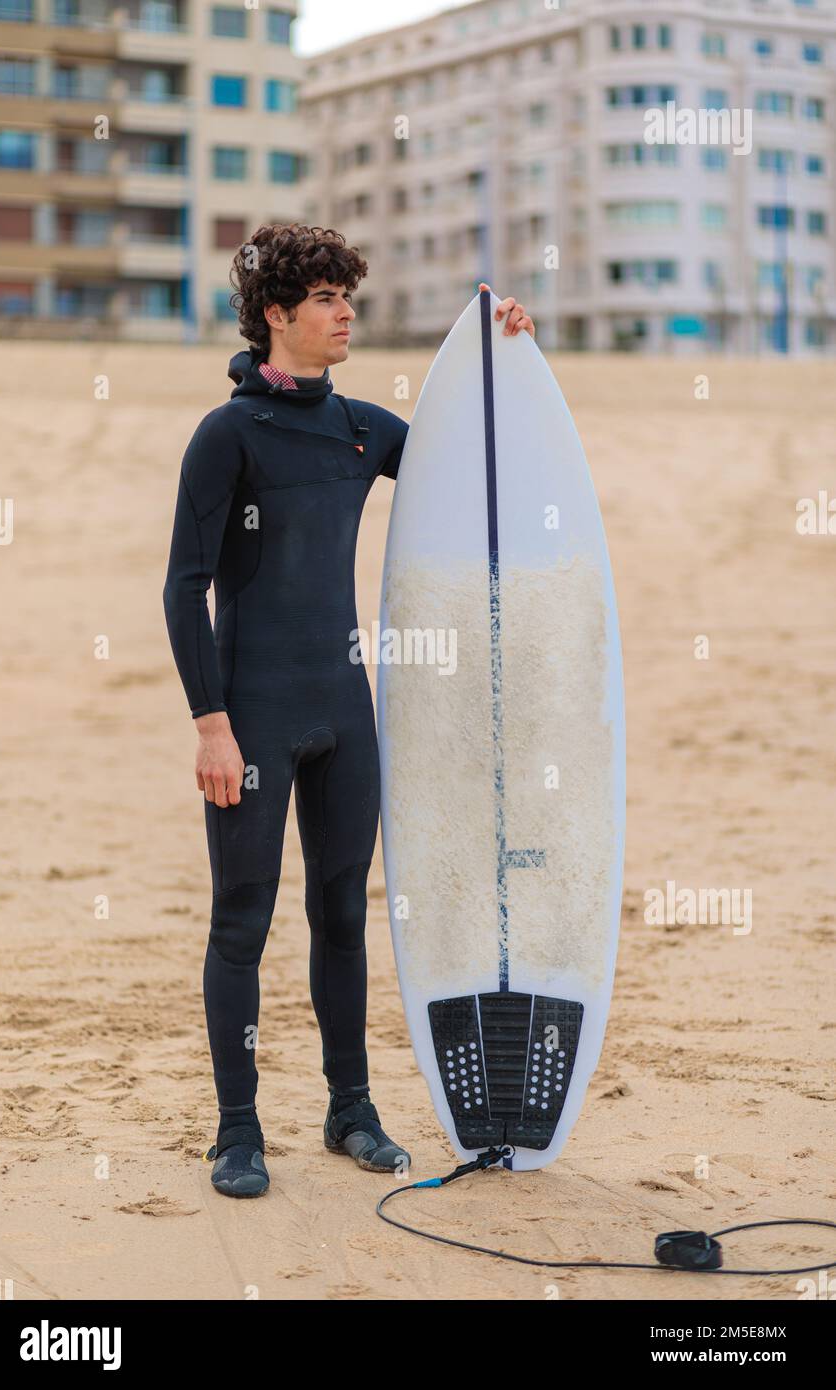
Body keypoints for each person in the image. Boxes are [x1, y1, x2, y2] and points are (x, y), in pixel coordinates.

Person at [163, 224, 535, 1197]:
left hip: (342, 708)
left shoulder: (360, 428)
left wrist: (504, 351)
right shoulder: (228, 435)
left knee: (341, 914)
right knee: (241, 919)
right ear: (277, 314)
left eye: (347, 298)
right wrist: (211, 722)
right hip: (251, 711)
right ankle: (236, 1131)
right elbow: (183, 586)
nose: (345, 316)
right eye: (326, 299)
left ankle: (349, 1108)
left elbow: (471, 465)